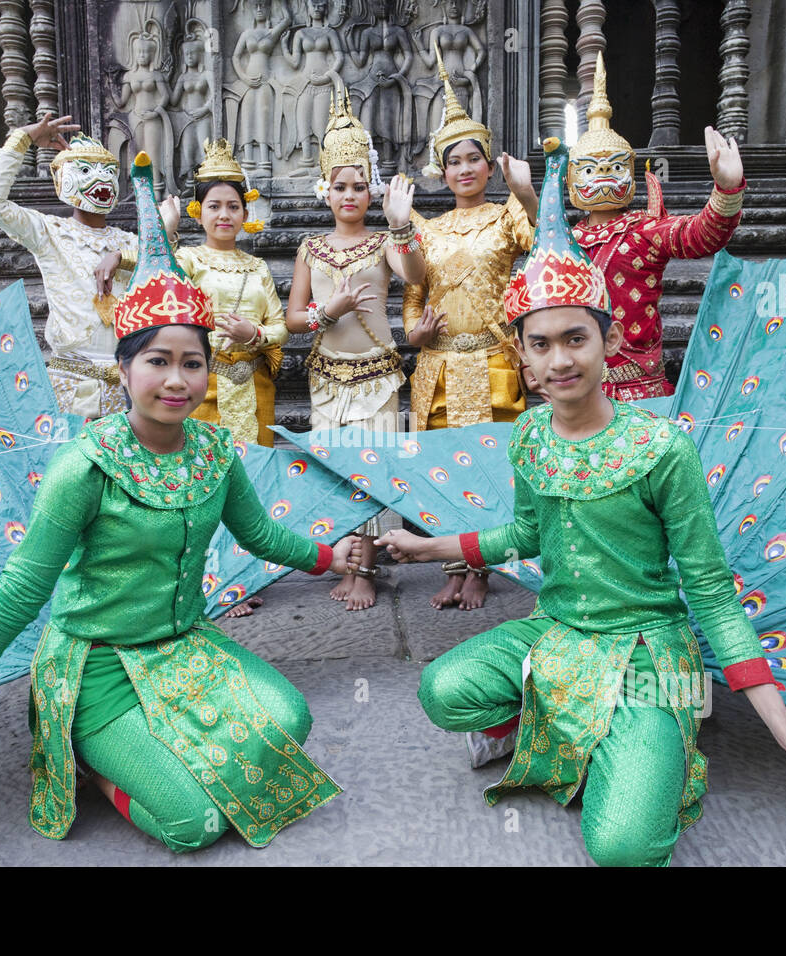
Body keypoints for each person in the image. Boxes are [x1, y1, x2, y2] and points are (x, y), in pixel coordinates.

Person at [0, 151, 362, 854]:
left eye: (191, 361)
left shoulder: (214, 453)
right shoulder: (84, 466)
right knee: (192, 822)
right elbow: (19, 593)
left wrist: (334, 557)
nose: (176, 379)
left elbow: (260, 537)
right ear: (123, 367)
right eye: (157, 361)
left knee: (290, 720)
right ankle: (86, 757)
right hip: (98, 664)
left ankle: (162, 746)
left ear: (207, 369)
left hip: (184, 647)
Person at [376, 139, 786, 867]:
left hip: (648, 647)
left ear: (608, 339)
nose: (560, 360)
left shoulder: (662, 448)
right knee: (443, 691)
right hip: (559, 631)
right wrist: (430, 548)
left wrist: (785, 726)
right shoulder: (529, 437)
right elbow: (523, 533)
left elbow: (707, 586)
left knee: (625, 848)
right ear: (522, 354)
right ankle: (564, 721)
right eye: (540, 345)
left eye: (576, 338)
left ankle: (654, 724)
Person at [98, 138, 284, 618]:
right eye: (216, 205)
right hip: (205, 386)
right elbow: (152, 268)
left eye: (234, 206)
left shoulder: (259, 267)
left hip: (251, 382)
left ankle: (245, 573)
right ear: (200, 211)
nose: (225, 215)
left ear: (247, 212)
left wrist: (256, 331)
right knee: (202, 479)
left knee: (249, 481)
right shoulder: (190, 260)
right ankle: (210, 576)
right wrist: (120, 256)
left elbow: (282, 324)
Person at [402, 45, 538, 611]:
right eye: (454, 161)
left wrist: (526, 190)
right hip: (437, 366)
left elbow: (541, 240)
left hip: (491, 364)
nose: (464, 169)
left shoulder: (507, 216)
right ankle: (453, 567)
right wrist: (414, 334)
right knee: (443, 471)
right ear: (442, 170)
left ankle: (483, 569)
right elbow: (413, 296)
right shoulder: (427, 231)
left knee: (489, 470)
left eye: (473, 159)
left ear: (489, 165)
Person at [285, 87, 425, 611]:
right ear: (326, 190)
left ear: (372, 192)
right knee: (335, 468)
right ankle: (343, 555)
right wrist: (332, 310)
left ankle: (366, 569)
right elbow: (294, 319)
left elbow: (416, 273)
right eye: (341, 186)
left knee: (371, 467)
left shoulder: (383, 242)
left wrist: (400, 224)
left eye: (360, 186)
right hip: (327, 374)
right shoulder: (310, 248)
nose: (350, 196)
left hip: (376, 374)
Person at [555, 52, 745, 402]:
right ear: (570, 181)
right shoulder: (566, 241)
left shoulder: (645, 230)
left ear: (631, 174)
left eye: (614, 168)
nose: (603, 178)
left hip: (639, 392)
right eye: (590, 170)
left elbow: (701, 235)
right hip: (576, 389)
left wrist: (726, 189)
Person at [0, 113, 138, 420]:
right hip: (71, 384)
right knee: (73, 466)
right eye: (87, 170)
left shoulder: (129, 243)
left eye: (107, 171)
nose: (100, 179)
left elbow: (166, 264)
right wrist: (22, 138)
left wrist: (120, 258)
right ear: (63, 178)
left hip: (129, 384)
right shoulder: (49, 232)